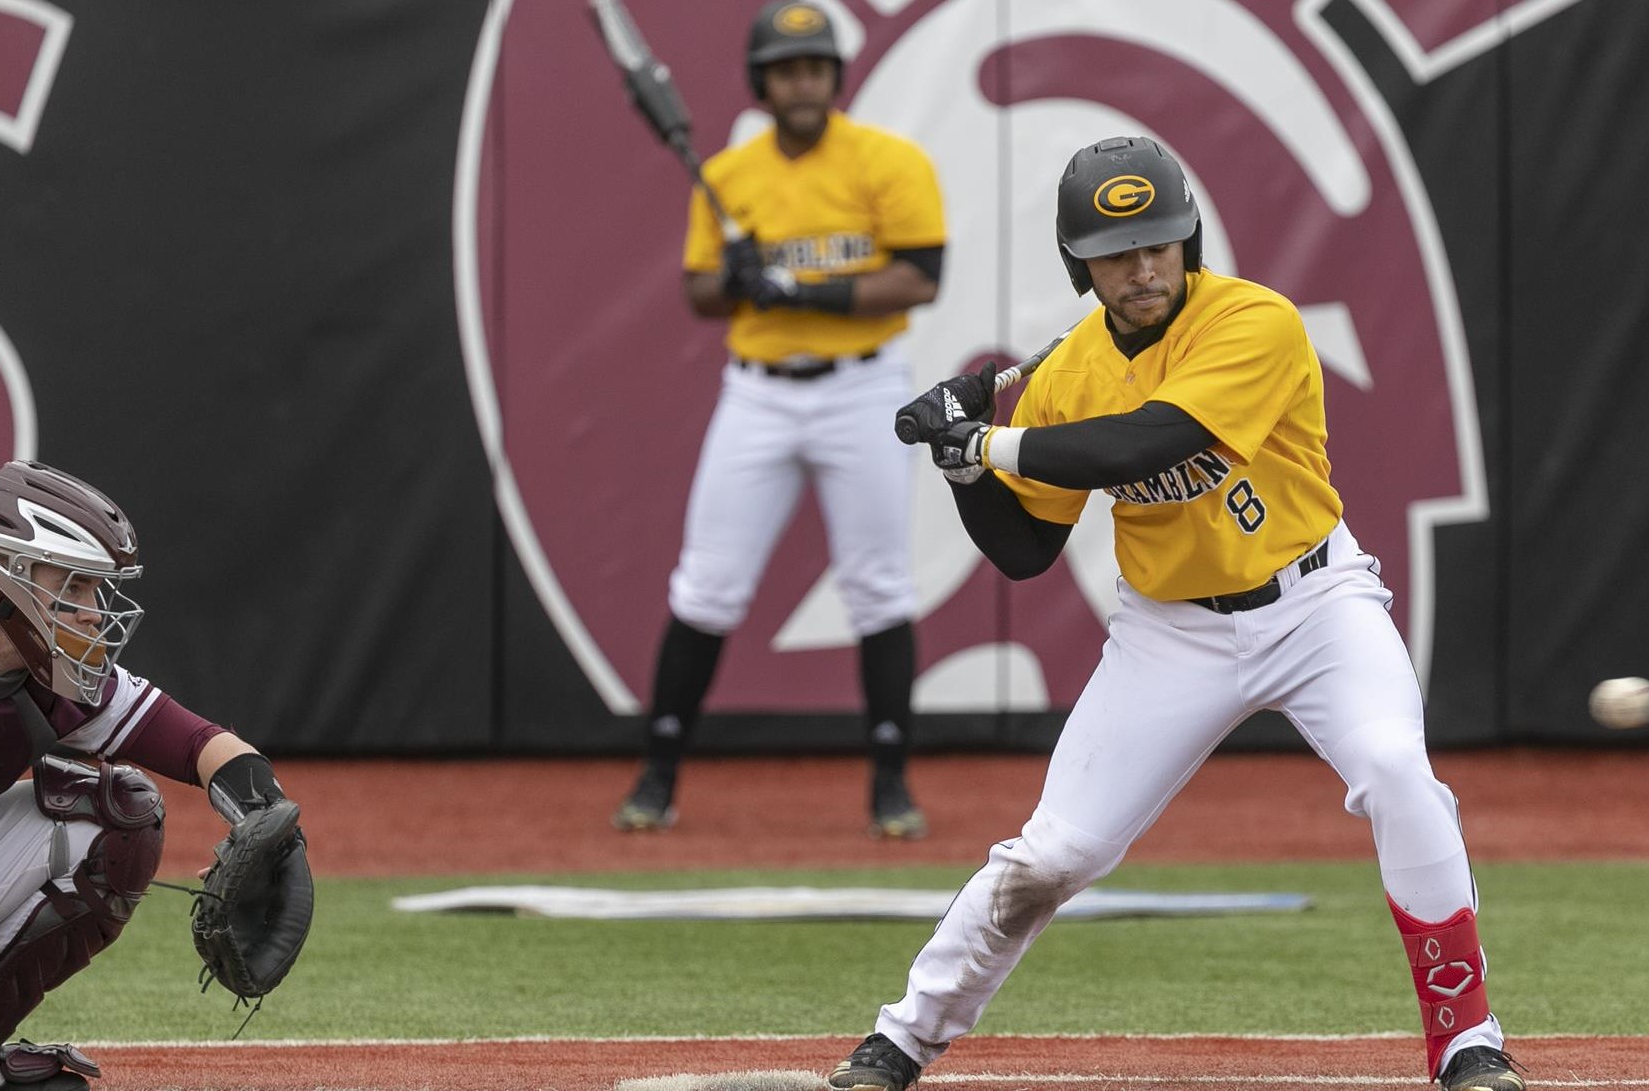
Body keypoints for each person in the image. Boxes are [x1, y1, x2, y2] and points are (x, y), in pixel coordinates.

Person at [827, 137, 1525, 1091]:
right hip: (1171, 633)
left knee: (1397, 769)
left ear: (1189, 240)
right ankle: (902, 1037)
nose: (1143, 266)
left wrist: (989, 438)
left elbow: (1150, 440)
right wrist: (961, 470)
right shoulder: (1070, 371)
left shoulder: (1255, 321)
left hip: (1316, 601)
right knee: (1057, 852)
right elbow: (1028, 552)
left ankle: (1468, 1038)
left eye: (1159, 242)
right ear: (1082, 266)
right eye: (1116, 252)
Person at [0, 460, 306, 1091]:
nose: (94, 613)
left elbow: (201, 743)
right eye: (74, 585)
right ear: (4, 575)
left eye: (98, 590)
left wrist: (272, 824)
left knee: (122, 817)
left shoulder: (58, 677)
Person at [612, 0, 947, 840]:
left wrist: (799, 286)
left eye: (815, 68)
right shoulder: (727, 175)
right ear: (762, 83)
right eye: (787, 70)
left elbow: (919, 277)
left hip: (863, 387)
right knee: (707, 583)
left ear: (836, 77)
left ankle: (891, 782)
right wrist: (736, 277)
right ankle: (658, 774)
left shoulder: (889, 160)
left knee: (878, 584)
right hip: (759, 391)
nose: (803, 83)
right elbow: (699, 294)